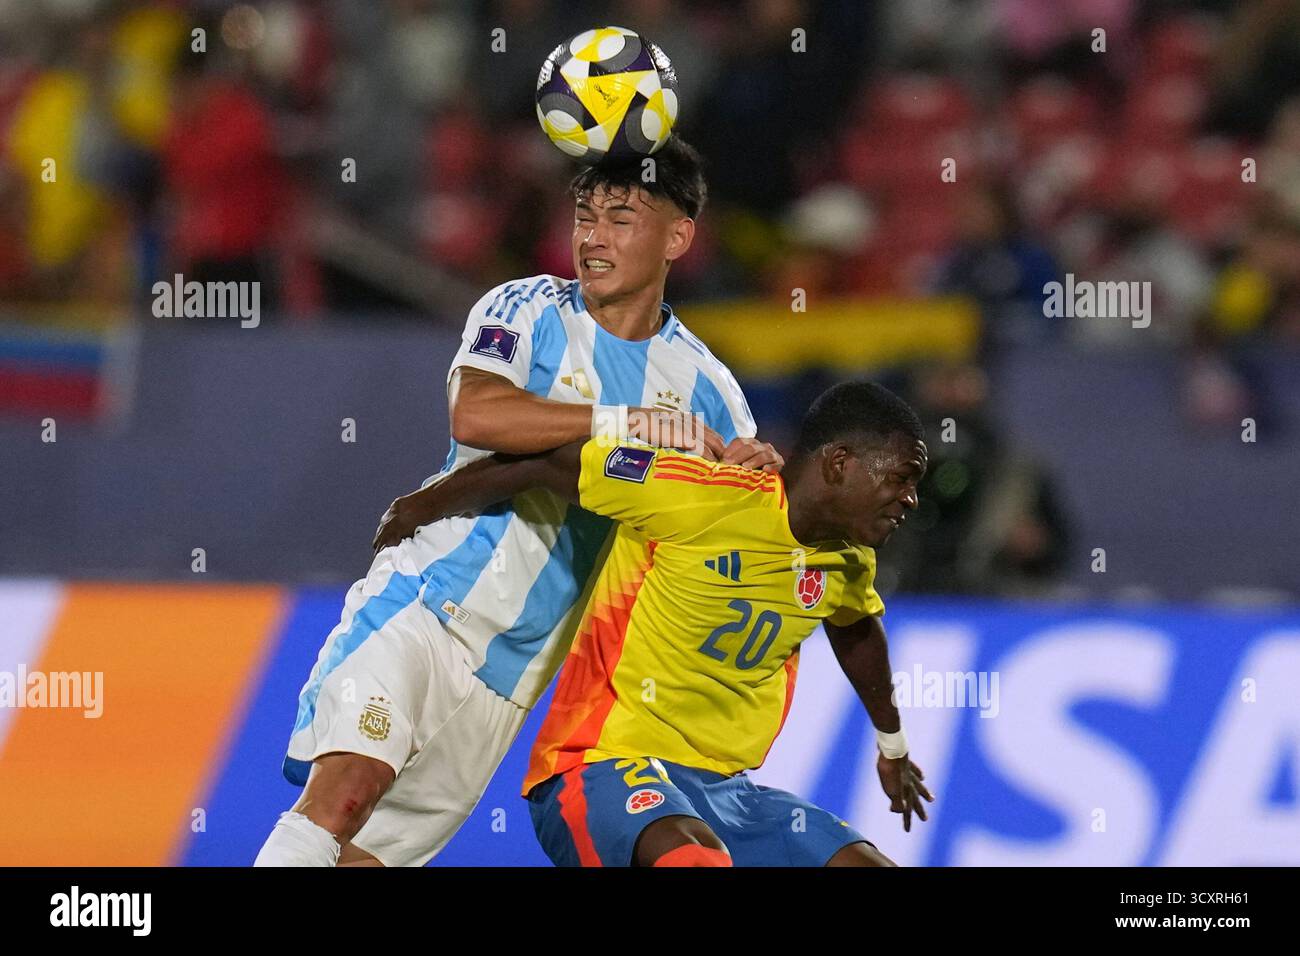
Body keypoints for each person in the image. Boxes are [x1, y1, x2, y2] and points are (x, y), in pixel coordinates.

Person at [253, 135, 782, 867]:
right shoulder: (527, 307)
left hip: (515, 678)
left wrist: (760, 478)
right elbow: (477, 415)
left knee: (362, 859)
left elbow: (742, 526)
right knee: (341, 797)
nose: (592, 239)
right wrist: (620, 422)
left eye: (621, 219)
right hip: (426, 606)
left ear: (679, 237)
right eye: (584, 215)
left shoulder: (710, 392)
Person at [405, 381, 934, 866]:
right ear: (839, 462)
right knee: (693, 860)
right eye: (900, 478)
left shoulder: (849, 559)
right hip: (601, 766)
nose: (910, 499)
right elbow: (548, 463)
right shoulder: (699, 494)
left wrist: (893, 746)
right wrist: (417, 510)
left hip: (728, 793)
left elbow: (856, 628)